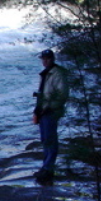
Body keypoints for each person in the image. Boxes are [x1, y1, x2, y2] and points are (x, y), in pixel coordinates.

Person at [32, 49, 69, 184]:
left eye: (47, 58)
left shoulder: (58, 73)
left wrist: (49, 107)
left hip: (51, 111)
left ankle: (48, 168)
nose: (45, 61)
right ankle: (46, 167)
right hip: (43, 110)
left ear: (53, 59)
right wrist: (37, 110)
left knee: (50, 140)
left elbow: (62, 95)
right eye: (43, 59)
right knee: (45, 139)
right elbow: (44, 93)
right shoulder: (47, 73)